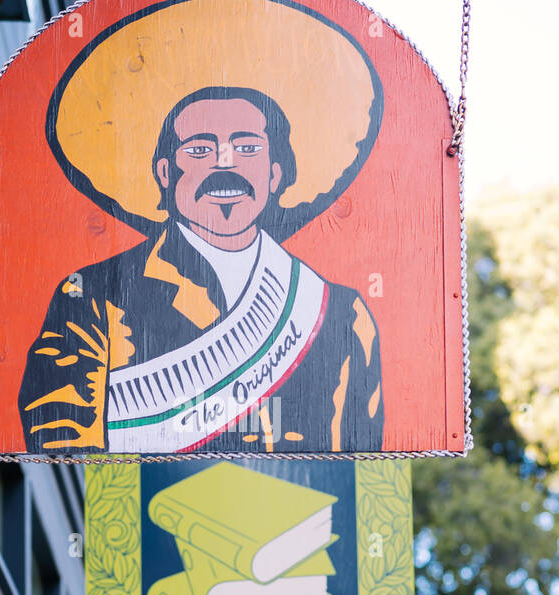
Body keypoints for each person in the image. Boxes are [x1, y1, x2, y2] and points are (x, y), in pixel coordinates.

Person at [19, 86, 383, 455]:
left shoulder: (339, 313)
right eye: (199, 150)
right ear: (165, 172)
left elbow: (363, 456)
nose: (225, 164)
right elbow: (59, 438)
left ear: (275, 173)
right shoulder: (92, 294)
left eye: (246, 148)